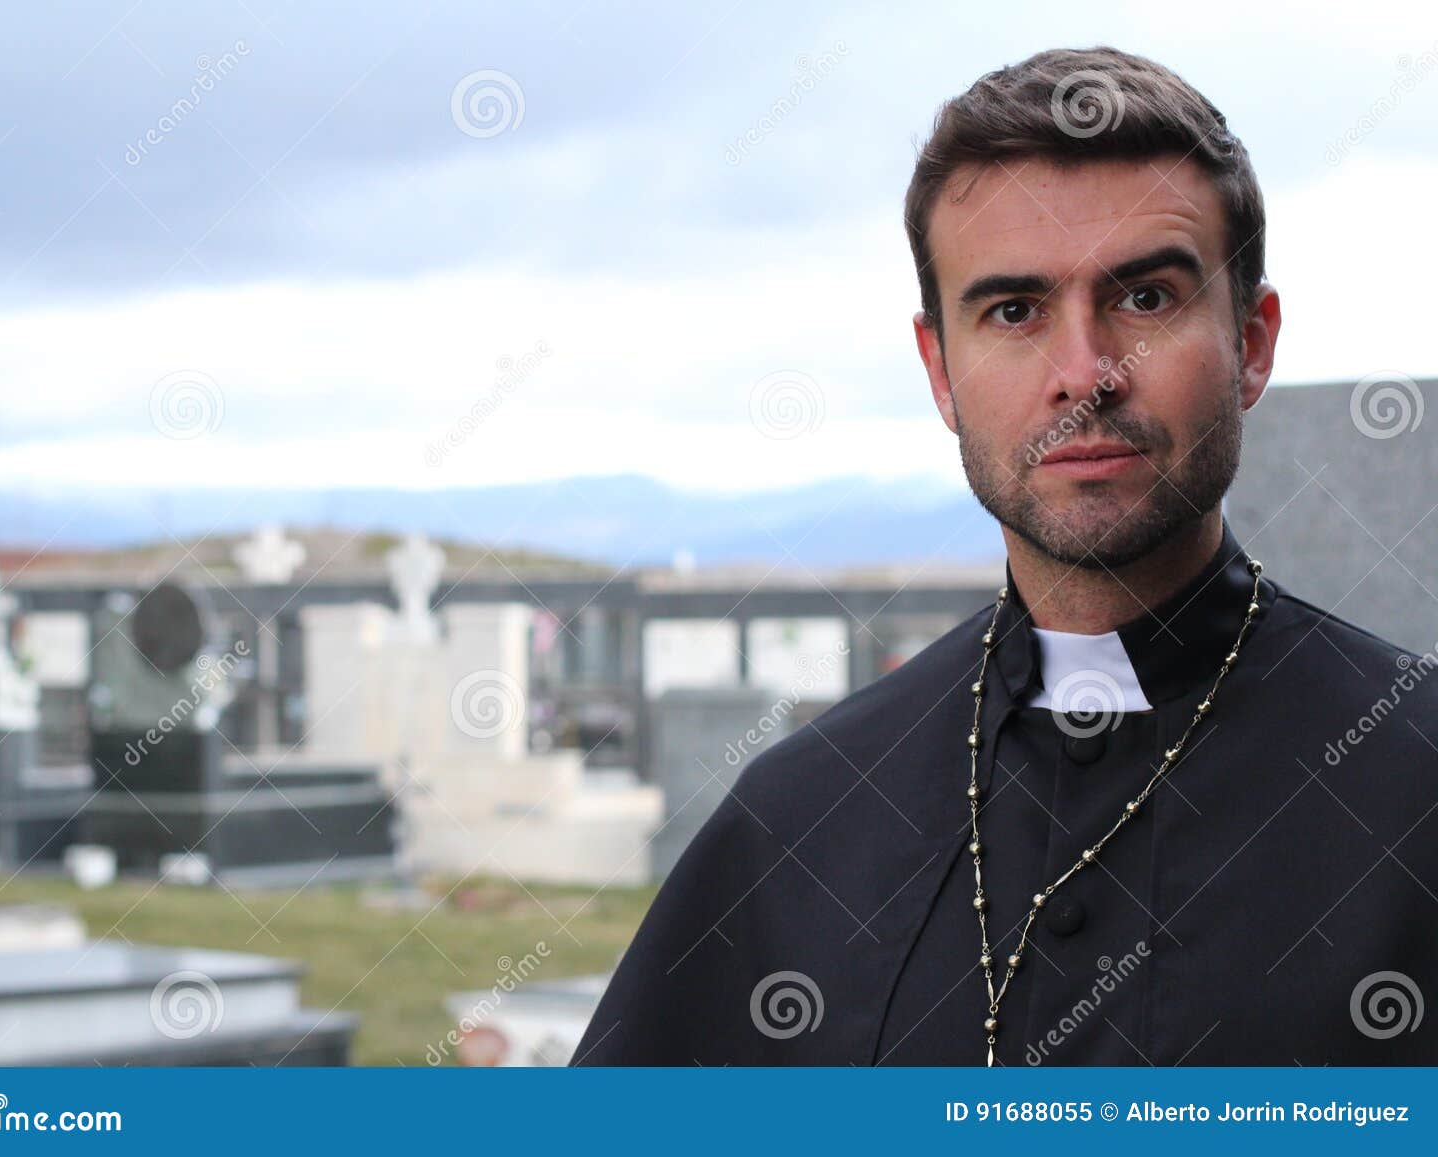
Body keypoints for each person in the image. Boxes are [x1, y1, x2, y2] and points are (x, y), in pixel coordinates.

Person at [573, 45, 1438, 1066]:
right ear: (939, 369)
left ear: (1251, 341)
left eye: (1146, 298)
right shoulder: (800, 819)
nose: (1084, 372)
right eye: (1014, 311)